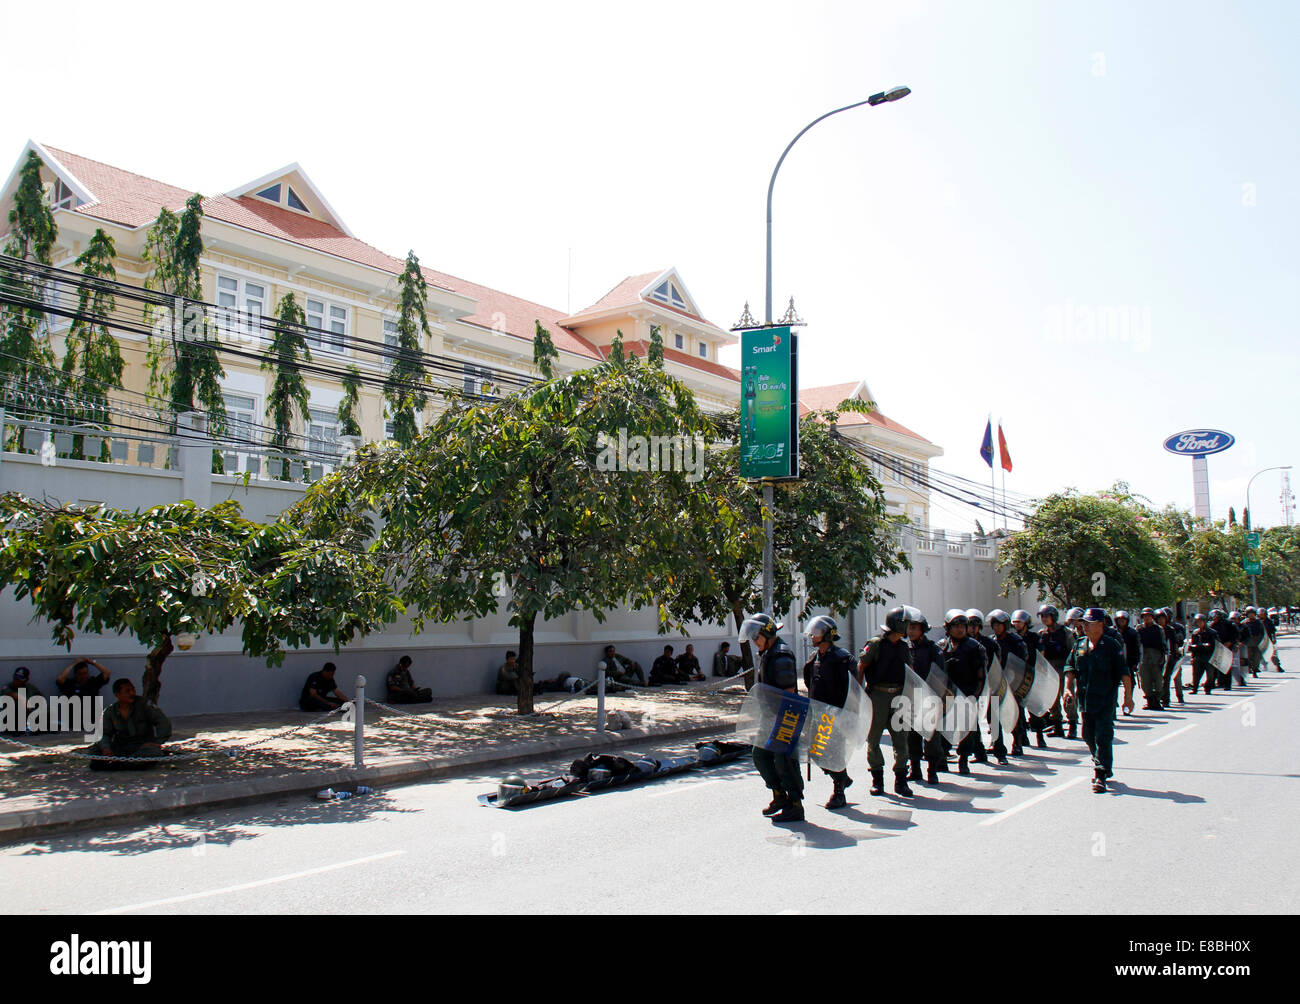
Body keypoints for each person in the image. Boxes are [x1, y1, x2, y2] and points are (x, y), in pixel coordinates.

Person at [739, 612, 805, 822]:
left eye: (756, 637)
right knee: (759, 755)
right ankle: (779, 796)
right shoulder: (769, 652)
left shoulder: (781, 655)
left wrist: (784, 724)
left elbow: (790, 693)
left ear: (767, 634)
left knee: (784, 761)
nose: (754, 642)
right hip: (770, 716)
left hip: (785, 716)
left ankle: (795, 804)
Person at [1064, 608, 1135, 793]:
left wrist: (1128, 697)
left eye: (1089, 623)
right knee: (1088, 735)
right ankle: (1101, 762)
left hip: (1105, 699)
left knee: (1103, 736)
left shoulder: (1112, 646)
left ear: (1100, 624)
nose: (1084, 626)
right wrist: (1067, 689)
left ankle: (1100, 773)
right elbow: (1070, 667)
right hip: (1085, 700)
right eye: (1083, 623)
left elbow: (1124, 673)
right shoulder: (1079, 645)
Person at [857, 607, 914, 797]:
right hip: (878, 696)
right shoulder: (876, 644)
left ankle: (901, 781)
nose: (907, 627)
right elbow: (862, 666)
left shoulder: (904, 646)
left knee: (901, 739)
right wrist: (858, 693)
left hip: (899, 696)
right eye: (904, 623)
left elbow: (911, 672)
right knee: (873, 739)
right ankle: (877, 780)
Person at [802, 615, 856, 808]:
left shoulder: (843, 659)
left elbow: (854, 689)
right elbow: (810, 685)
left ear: (827, 635)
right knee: (816, 753)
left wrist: (847, 714)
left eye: (816, 633)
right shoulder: (813, 660)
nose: (812, 636)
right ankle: (842, 777)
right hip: (819, 714)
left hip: (837, 715)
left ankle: (839, 792)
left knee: (834, 753)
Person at [939, 608, 987, 775]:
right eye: (956, 625)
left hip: (968, 692)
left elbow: (981, 674)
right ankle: (942, 758)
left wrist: (976, 695)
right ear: (948, 627)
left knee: (967, 729)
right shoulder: (942, 646)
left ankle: (964, 759)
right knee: (944, 727)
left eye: (963, 625)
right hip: (948, 695)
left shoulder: (974, 647)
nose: (960, 629)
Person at [87, 679, 173, 771]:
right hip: (121, 746)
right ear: (117, 694)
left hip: (142, 746)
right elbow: (104, 733)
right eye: (127, 691)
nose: (132, 693)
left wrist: (157, 742)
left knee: (153, 752)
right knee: (94, 749)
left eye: (133, 690)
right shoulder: (110, 711)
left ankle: (123, 764)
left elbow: (163, 723)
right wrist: (106, 748)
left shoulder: (145, 705)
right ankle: (124, 763)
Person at [907, 610, 949, 783]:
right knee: (912, 736)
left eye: (915, 628)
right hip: (911, 699)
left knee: (931, 737)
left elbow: (940, 676)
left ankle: (932, 770)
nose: (911, 631)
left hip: (930, 698)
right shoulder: (905, 648)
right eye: (909, 628)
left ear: (922, 629)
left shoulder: (933, 649)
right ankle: (915, 769)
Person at [988, 609, 1028, 759]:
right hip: (996, 683)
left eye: (999, 624)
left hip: (1012, 683)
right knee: (993, 715)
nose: (997, 628)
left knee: (1013, 715)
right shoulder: (992, 641)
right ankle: (996, 742)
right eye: (994, 625)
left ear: (1005, 625)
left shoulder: (1016, 641)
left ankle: (1017, 743)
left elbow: (1021, 661)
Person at [1037, 605, 1072, 739]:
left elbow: (1072, 651)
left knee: (1067, 698)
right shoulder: (1042, 633)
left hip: (1063, 667)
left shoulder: (1065, 632)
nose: (1044, 619)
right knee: (1052, 700)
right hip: (1048, 669)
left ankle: (1072, 724)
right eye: (1042, 616)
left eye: (1047, 616)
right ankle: (1058, 726)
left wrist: (1071, 670)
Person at [1136, 608, 1168, 710]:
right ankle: (1150, 701)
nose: (1146, 618)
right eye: (1144, 616)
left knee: (1158, 681)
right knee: (1145, 681)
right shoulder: (1139, 628)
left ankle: (1157, 700)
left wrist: (1163, 658)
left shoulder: (1158, 629)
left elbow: (1163, 645)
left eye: (1149, 616)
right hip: (1143, 656)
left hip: (1156, 656)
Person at [1112, 611, 1141, 701]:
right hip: (1114, 662)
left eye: (1123, 620)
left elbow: (1137, 648)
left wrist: (1135, 662)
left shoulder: (1132, 633)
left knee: (1130, 682)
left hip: (1128, 662)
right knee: (1112, 683)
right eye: (1120, 620)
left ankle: (1128, 700)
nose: (1122, 622)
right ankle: (1113, 700)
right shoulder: (1112, 632)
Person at [1209, 609, 1239, 690]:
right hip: (1215, 647)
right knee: (1214, 666)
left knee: (1226, 666)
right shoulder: (1210, 625)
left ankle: (1227, 685)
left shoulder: (1228, 623)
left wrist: (1230, 642)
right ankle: (1215, 683)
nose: (1214, 618)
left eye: (1215, 616)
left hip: (1226, 646)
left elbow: (1235, 634)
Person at [1188, 613, 1217, 695]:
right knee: (1196, 674)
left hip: (1209, 656)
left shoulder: (1212, 633)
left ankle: (1207, 688)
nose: (1199, 623)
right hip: (1198, 656)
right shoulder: (1195, 633)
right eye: (1198, 622)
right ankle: (1195, 688)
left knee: (1210, 675)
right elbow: (1193, 645)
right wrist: (1192, 657)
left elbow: (1216, 646)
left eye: (1201, 622)